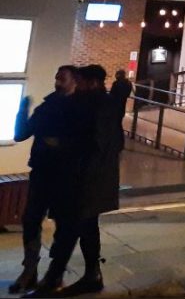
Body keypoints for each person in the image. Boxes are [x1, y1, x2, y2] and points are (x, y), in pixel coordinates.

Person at [30, 64, 124, 297]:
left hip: (86, 182)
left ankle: (53, 280)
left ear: (92, 83)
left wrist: (60, 145)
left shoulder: (100, 106)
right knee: (86, 228)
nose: (78, 85)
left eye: (81, 81)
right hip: (87, 181)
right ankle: (91, 275)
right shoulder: (99, 104)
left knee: (70, 230)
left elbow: (95, 143)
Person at [10, 65, 77, 295]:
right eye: (57, 77)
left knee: (62, 225)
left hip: (64, 177)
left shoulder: (78, 109)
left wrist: (58, 144)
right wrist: (22, 109)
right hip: (41, 172)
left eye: (62, 78)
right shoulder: (47, 106)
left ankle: (54, 275)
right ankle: (29, 271)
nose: (57, 81)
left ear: (74, 81)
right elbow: (21, 134)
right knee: (30, 220)